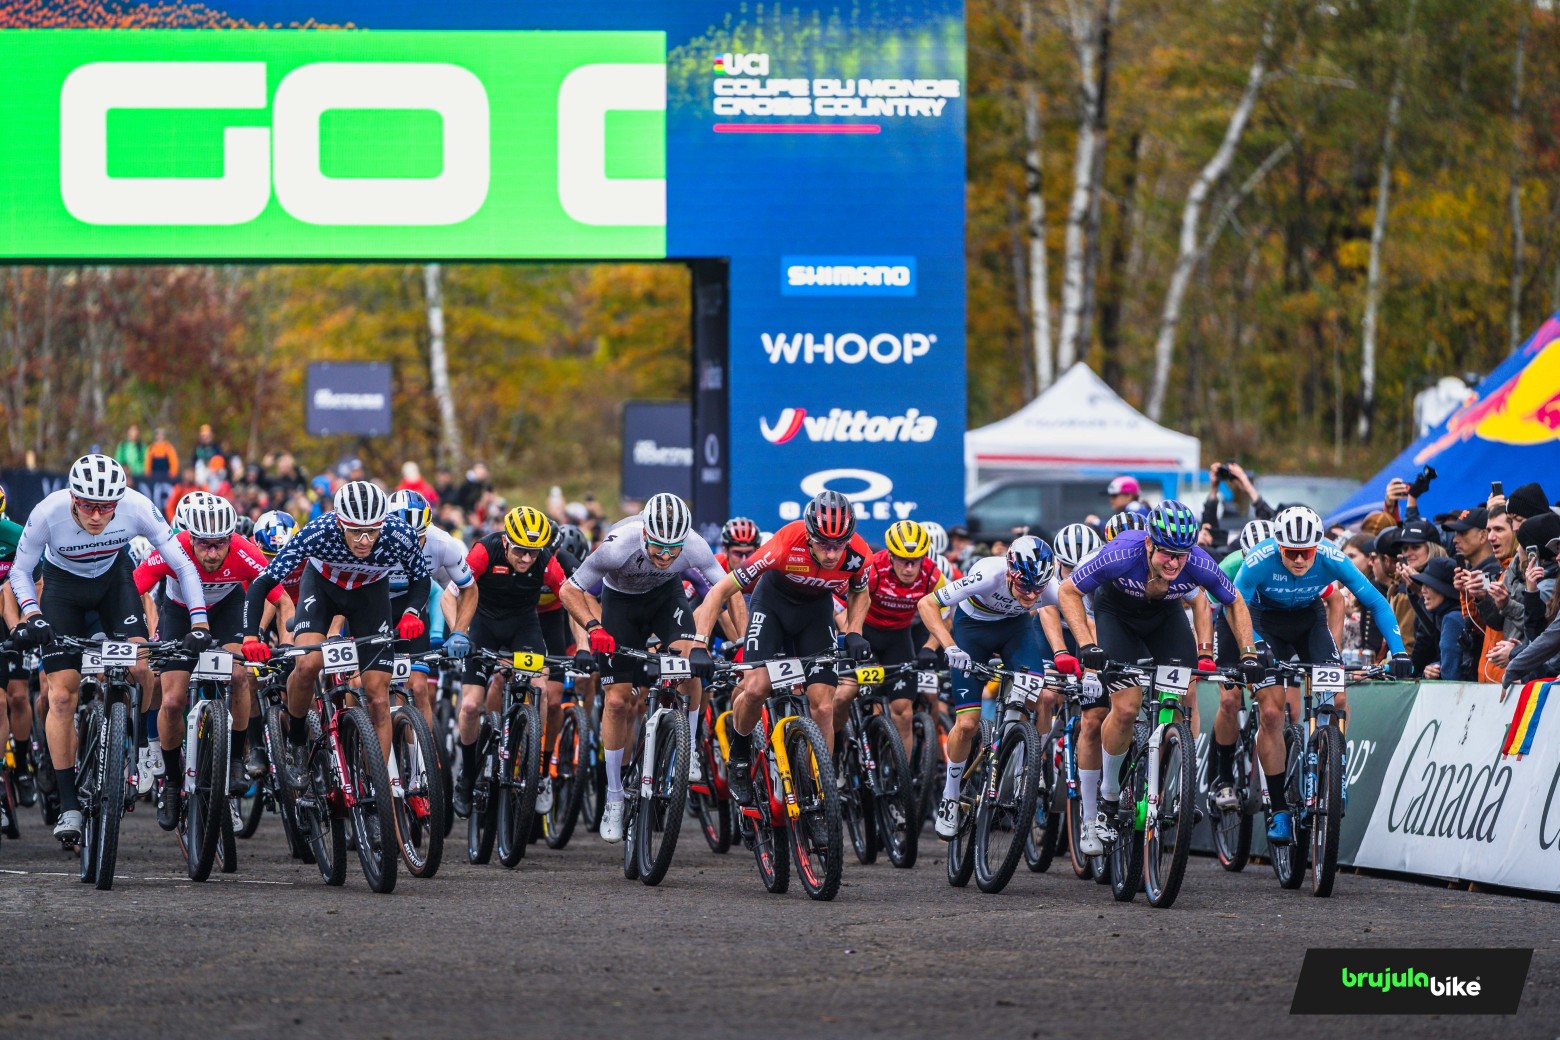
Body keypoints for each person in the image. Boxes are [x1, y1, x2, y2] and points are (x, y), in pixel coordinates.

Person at [7, 454, 212, 843]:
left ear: (119, 501)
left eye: (106, 507)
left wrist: (200, 621)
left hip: (112, 586)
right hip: (63, 591)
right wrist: (32, 614)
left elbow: (183, 565)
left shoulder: (136, 506)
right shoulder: (48, 512)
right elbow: (20, 569)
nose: (97, 516)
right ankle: (69, 805)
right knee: (62, 696)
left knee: (142, 668)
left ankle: (143, 748)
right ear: (72, 499)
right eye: (87, 506)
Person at [1058, 501, 1264, 850]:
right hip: (1117, 616)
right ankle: (1107, 796)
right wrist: (1085, 644)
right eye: (1167, 554)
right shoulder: (1121, 553)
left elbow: (1234, 601)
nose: (1174, 563)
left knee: (1186, 693)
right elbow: (1068, 590)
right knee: (1125, 707)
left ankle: (1173, 772)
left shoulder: (1196, 561)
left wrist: (1248, 653)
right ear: (1149, 544)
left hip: (1164, 618)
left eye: (1181, 556)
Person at [1228, 507, 1411, 841]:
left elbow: (1376, 602)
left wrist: (1398, 650)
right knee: (1270, 713)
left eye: (1306, 552)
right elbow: (1235, 605)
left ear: (1318, 546)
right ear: (1277, 546)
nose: (1299, 560)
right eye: (1291, 553)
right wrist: (1251, 648)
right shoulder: (1257, 559)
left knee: (1338, 696)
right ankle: (1280, 810)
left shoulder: (1332, 556)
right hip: (1262, 624)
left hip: (1307, 622)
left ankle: (1332, 768)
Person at [561, 494, 731, 843]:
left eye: (674, 550)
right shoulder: (617, 546)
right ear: (644, 535)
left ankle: (691, 747)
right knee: (619, 702)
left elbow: (727, 587)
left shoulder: (694, 545)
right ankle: (614, 796)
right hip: (620, 604)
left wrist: (702, 641)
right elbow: (569, 590)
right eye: (659, 549)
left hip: (665, 598)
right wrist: (594, 628)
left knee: (690, 668)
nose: (667, 557)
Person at [239, 481, 431, 781]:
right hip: (323, 591)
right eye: (356, 531)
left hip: (369, 596)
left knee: (378, 696)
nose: (365, 540)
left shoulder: (398, 534)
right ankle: (298, 739)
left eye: (373, 530)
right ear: (340, 522)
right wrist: (250, 636)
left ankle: (376, 785)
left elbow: (421, 581)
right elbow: (264, 582)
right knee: (307, 665)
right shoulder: (319, 531)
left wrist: (410, 612)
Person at [916, 535, 1074, 839]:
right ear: (1010, 573)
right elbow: (928, 604)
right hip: (971, 631)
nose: (1031, 595)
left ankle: (1029, 764)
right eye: (1025, 586)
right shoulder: (988, 574)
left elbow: (1083, 611)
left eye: (1038, 588)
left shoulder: (1049, 587)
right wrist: (949, 648)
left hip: (1014, 631)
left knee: (1042, 694)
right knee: (967, 723)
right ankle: (950, 796)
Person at [1408, 558, 1467, 680]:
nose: (1423, 590)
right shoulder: (1446, 615)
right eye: (1423, 584)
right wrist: (1434, 668)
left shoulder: (1452, 619)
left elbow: (1451, 676)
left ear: (1444, 589)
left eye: (1429, 585)